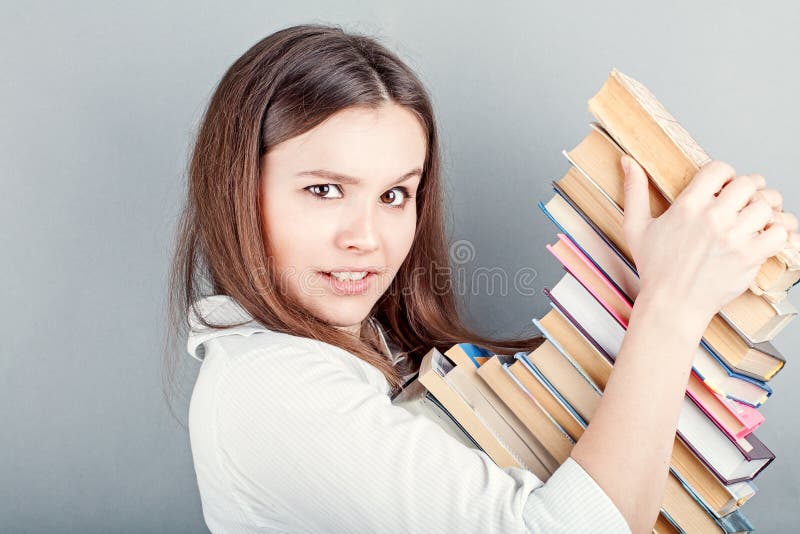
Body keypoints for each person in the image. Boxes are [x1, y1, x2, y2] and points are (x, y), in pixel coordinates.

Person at [166, 24, 799, 534]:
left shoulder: (359, 347)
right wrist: (672, 304)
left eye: (394, 195)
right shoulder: (273, 388)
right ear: (238, 194)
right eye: (325, 189)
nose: (366, 236)